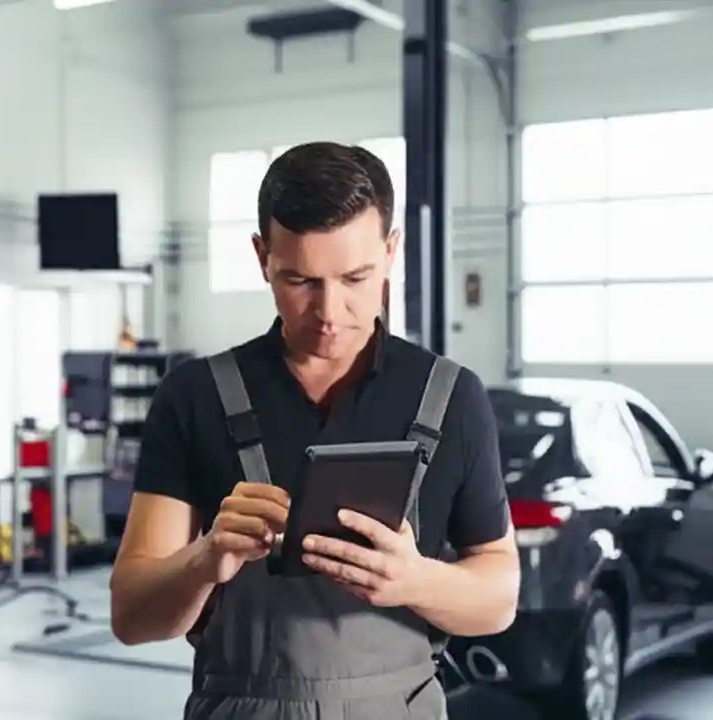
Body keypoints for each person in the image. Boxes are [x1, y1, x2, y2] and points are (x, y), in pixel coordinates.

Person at [109, 141, 520, 720]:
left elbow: (499, 600)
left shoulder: (453, 399)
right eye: (299, 280)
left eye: (356, 278)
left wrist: (415, 580)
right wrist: (205, 560)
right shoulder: (194, 397)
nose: (329, 313)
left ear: (391, 250)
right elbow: (131, 617)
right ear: (261, 257)